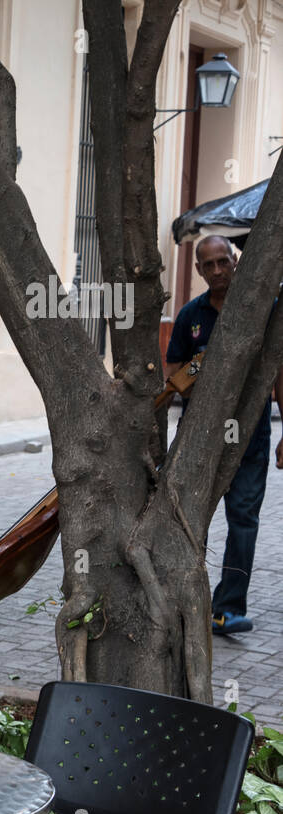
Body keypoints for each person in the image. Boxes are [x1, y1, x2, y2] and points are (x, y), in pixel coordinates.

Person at [164, 234, 283, 638]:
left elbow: (277, 372)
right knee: (185, 515)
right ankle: (178, 597)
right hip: (200, 434)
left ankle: (228, 608)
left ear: (235, 261)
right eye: (208, 265)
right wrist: (202, 383)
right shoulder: (189, 315)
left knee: (243, 518)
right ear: (198, 270)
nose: (217, 270)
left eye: (223, 262)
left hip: (251, 433)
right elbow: (174, 368)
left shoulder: (262, 310)